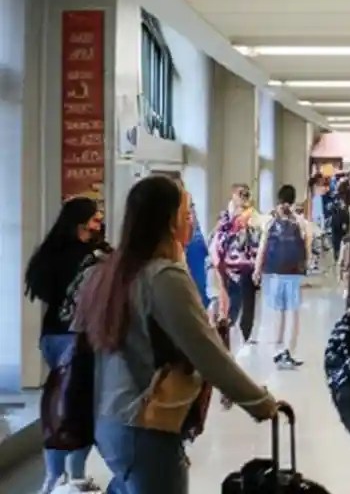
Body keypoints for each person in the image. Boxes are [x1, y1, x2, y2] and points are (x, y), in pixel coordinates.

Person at [77, 176, 277, 494]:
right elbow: (206, 351)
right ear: (170, 221)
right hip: (144, 426)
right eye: (187, 213)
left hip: (110, 420)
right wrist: (260, 402)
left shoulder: (111, 271)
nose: (192, 220)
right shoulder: (164, 277)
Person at [25, 197, 105, 494]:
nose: (100, 223)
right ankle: (70, 475)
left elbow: (45, 292)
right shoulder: (96, 256)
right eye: (96, 218)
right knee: (81, 407)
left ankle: (57, 476)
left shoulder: (49, 254)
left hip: (52, 338)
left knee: (60, 403)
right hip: (79, 339)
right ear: (82, 222)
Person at [254, 184, 311, 369]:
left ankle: (276, 350)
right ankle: (289, 351)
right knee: (292, 312)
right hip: (293, 272)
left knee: (277, 311)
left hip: (274, 272)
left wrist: (257, 269)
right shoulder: (300, 222)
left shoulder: (270, 221)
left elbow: (262, 246)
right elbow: (307, 245)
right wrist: (306, 264)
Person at [210, 184, 260, 346]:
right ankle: (224, 329)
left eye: (245, 195)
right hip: (227, 267)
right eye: (239, 194)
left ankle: (244, 332)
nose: (242, 198)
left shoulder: (252, 217)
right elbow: (216, 237)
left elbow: (257, 239)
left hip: (245, 266)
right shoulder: (225, 217)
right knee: (227, 300)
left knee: (244, 301)